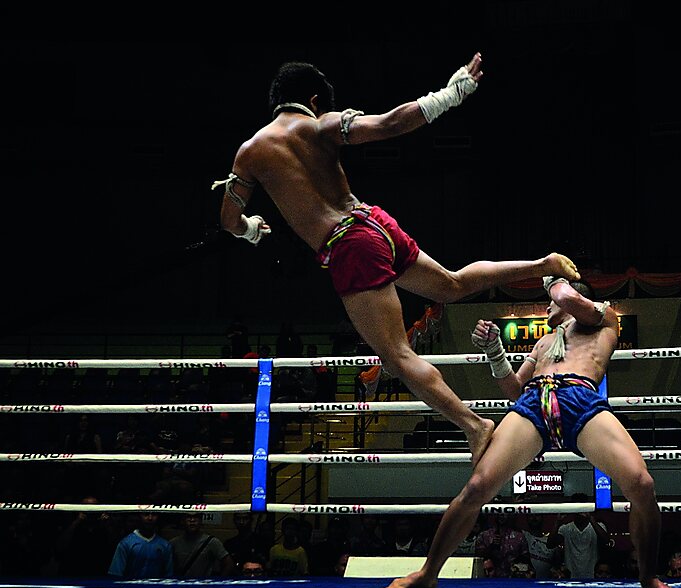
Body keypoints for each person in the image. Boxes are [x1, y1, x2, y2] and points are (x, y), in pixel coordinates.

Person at [214, 54, 580, 467]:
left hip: (348, 245)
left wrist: (249, 229)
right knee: (452, 284)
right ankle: (541, 264)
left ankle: (474, 426)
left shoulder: (249, 153)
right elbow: (391, 122)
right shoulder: (321, 125)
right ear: (314, 100)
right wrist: (452, 92)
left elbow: (228, 220)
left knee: (397, 356)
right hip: (374, 222)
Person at [382, 278, 680, 588]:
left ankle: (648, 581)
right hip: (534, 404)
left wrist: (552, 275)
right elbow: (514, 390)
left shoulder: (604, 320)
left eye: (550, 299)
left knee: (641, 484)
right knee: (478, 487)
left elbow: (564, 295)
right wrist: (495, 352)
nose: (547, 304)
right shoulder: (542, 345)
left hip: (580, 398)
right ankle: (428, 573)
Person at [109, 512, 173, 579]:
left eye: (154, 514)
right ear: (139, 517)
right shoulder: (126, 543)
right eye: (146, 514)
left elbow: (169, 576)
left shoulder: (165, 545)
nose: (150, 518)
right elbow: (116, 574)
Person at [170, 514, 235, 578]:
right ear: (183, 521)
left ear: (201, 521)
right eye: (188, 517)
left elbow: (229, 563)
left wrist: (219, 581)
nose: (192, 520)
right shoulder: (173, 543)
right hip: (180, 584)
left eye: (196, 517)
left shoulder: (211, 542)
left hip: (203, 585)